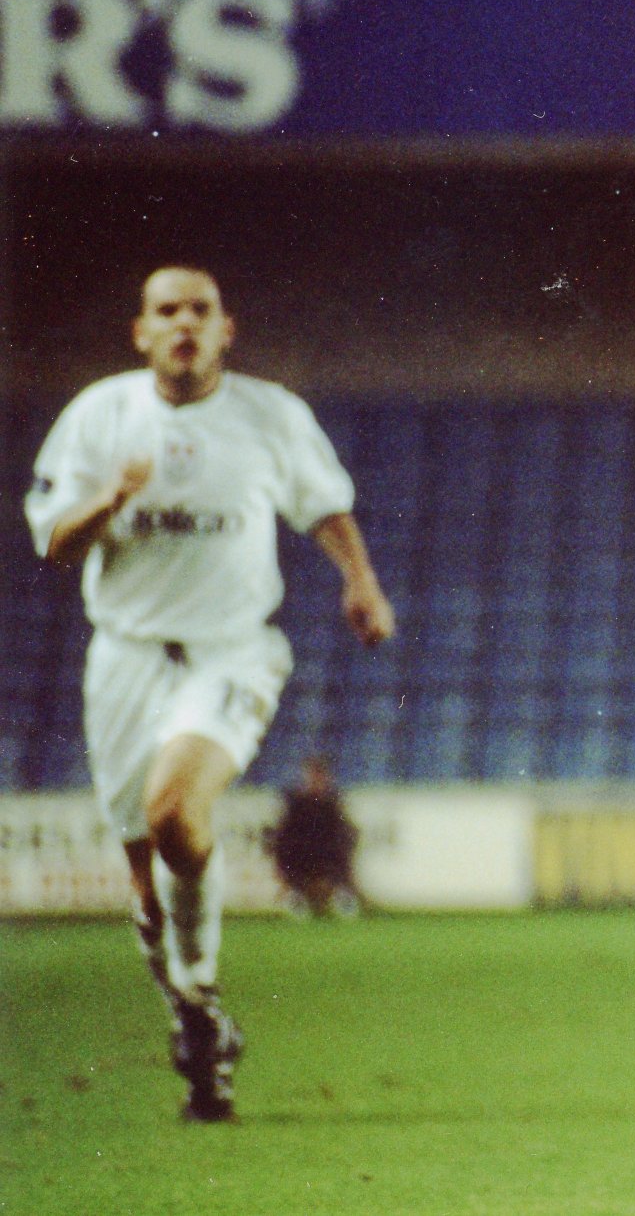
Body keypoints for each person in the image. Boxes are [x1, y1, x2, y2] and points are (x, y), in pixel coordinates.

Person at [23, 267, 396, 1121]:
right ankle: (198, 1015)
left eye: (200, 309)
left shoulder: (270, 416)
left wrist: (361, 582)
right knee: (147, 886)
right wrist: (112, 496)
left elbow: (326, 506)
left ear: (227, 329)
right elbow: (53, 543)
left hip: (231, 652)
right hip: (123, 658)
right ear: (141, 331)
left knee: (173, 813)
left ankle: (200, 994)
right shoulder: (99, 416)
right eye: (166, 310)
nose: (183, 322)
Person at [270, 754, 363, 918]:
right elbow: (284, 839)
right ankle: (297, 897)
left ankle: (339, 896)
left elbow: (344, 837)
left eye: (320, 776)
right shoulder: (296, 805)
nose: (316, 780)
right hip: (301, 862)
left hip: (328, 863)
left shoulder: (333, 805)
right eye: (312, 776)